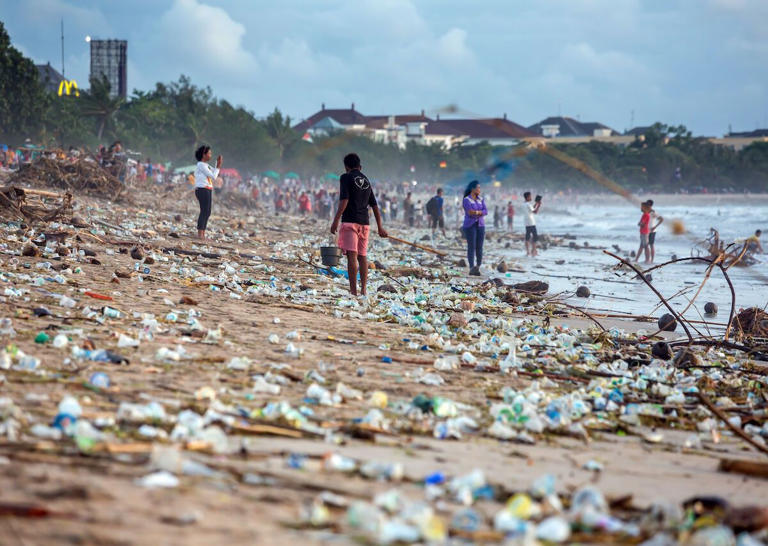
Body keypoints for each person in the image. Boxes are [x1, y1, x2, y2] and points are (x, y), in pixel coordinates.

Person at [330, 153, 388, 296]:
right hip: (365, 224)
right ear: (360, 167)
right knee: (362, 257)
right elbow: (374, 205)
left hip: (350, 221)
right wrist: (380, 227)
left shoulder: (345, 177)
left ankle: (353, 291)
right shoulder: (366, 180)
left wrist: (335, 220)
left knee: (352, 256)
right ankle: (363, 290)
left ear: (346, 167)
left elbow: (344, 200)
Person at [193, 145, 222, 240]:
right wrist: (217, 166)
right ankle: (200, 234)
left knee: (207, 211)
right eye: (209, 153)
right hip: (202, 189)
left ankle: (203, 233)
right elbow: (214, 176)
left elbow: (215, 172)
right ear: (203, 155)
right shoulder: (201, 165)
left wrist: (217, 165)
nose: (210, 155)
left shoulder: (206, 165)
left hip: (208, 189)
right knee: (204, 211)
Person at [462, 180, 488, 276]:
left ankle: (478, 266)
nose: (479, 190)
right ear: (472, 189)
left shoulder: (481, 199)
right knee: (471, 246)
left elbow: (486, 211)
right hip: (470, 225)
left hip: (480, 225)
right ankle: (471, 266)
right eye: (478, 188)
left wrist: (477, 212)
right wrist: (479, 212)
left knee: (479, 247)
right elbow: (470, 212)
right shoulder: (466, 200)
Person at [523, 192, 542, 257]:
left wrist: (536, 204)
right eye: (530, 196)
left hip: (526, 222)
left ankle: (528, 252)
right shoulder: (528, 204)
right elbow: (535, 212)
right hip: (531, 222)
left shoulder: (524, 204)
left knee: (527, 237)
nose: (531, 198)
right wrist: (538, 206)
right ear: (528, 197)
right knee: (535, 237)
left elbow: (531, 209)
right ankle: (533, 251)